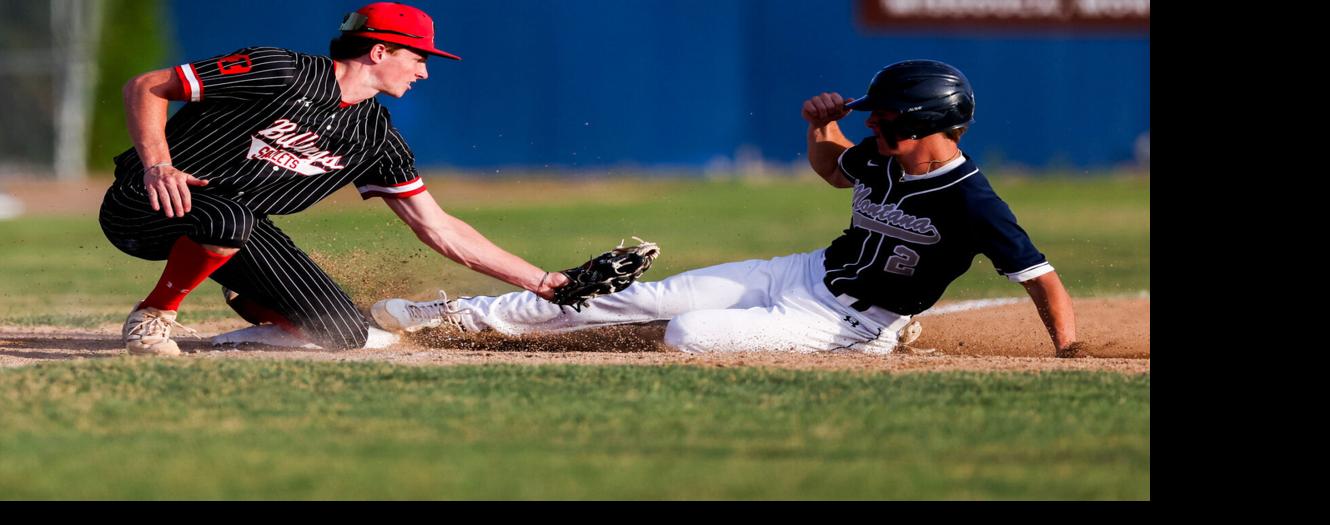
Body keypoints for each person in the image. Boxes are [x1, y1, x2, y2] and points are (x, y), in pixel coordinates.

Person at [370, 60, 1081, 356]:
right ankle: (461, 314)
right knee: (635, 296)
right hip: (798, 274)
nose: (872, 127)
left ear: (927, 126)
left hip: (850, 321)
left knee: (688, 334)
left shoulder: (972, 201)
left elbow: (1040, 277)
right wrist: (819, 125)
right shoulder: (885, 157)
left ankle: (886, 344)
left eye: (885, 119)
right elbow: (834, 171)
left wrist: (1069, 349)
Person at [99, 3, 575, 355]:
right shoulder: (281, 71)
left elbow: (438, 227)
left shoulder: (374, 136)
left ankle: (250, 294)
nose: (425, 72)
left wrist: (543, 282)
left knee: (341, 333)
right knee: (228, 219)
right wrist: (158, 164)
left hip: (238, 226)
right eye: (419, 58)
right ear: (380, 50)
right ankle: (154, 315)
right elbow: (146, 85)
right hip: (145, 205)